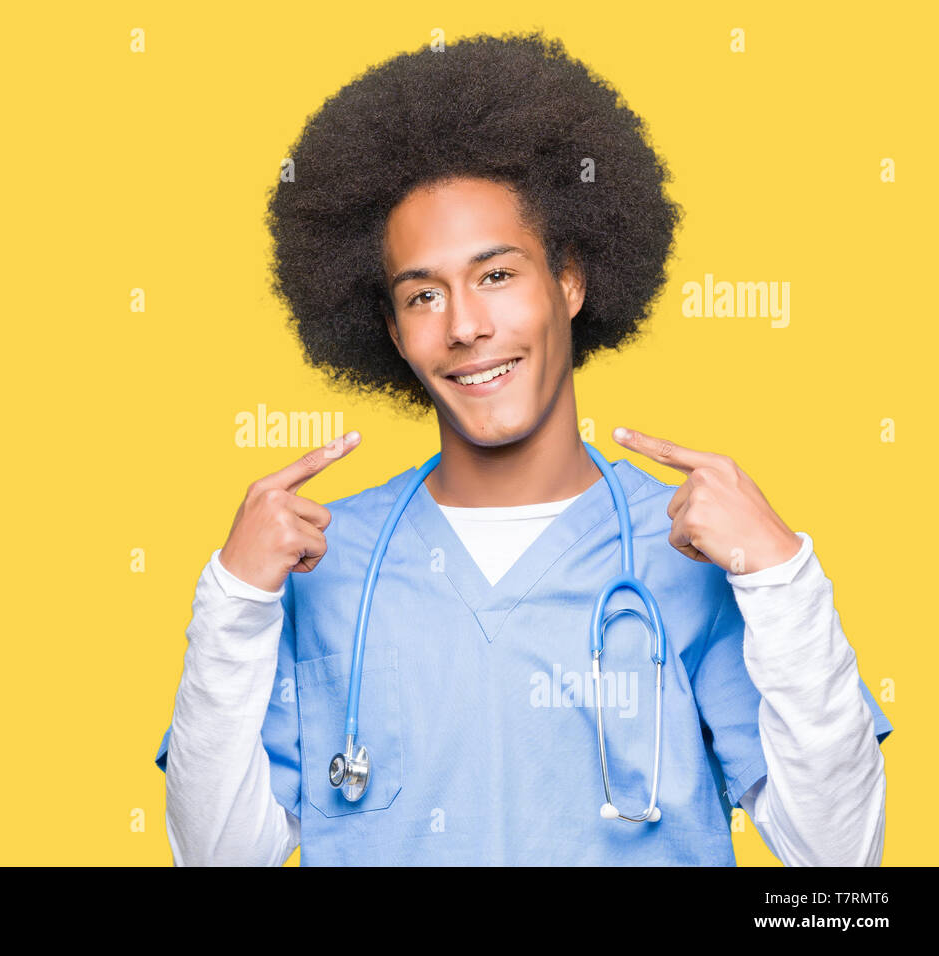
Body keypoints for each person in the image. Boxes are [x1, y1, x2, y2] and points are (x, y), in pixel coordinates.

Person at [151, 31, 892, 865]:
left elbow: (840, 865)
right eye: (423, 295)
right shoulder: (322, 560)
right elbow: (216, 858)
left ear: (569, 281)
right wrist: (233, 606)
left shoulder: (694, 551)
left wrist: (785, 580)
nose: (465, 325)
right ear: (392, 331)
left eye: (497, 275)